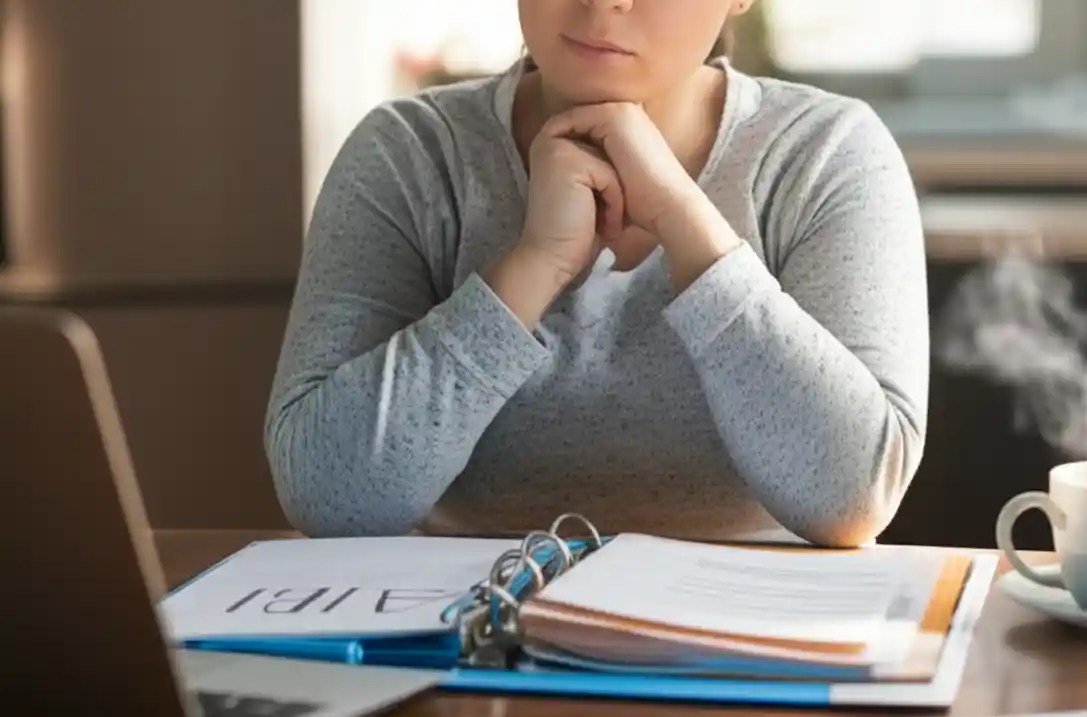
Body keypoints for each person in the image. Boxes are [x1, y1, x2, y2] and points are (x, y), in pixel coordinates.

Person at [266, 0, 928, 547]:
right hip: (469, 636)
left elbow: (853, 496)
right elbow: (328, 494)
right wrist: (533, 267)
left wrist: (683, 221)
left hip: (748, 648)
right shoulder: (409, 153)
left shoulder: (827, 153)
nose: (605, 2)